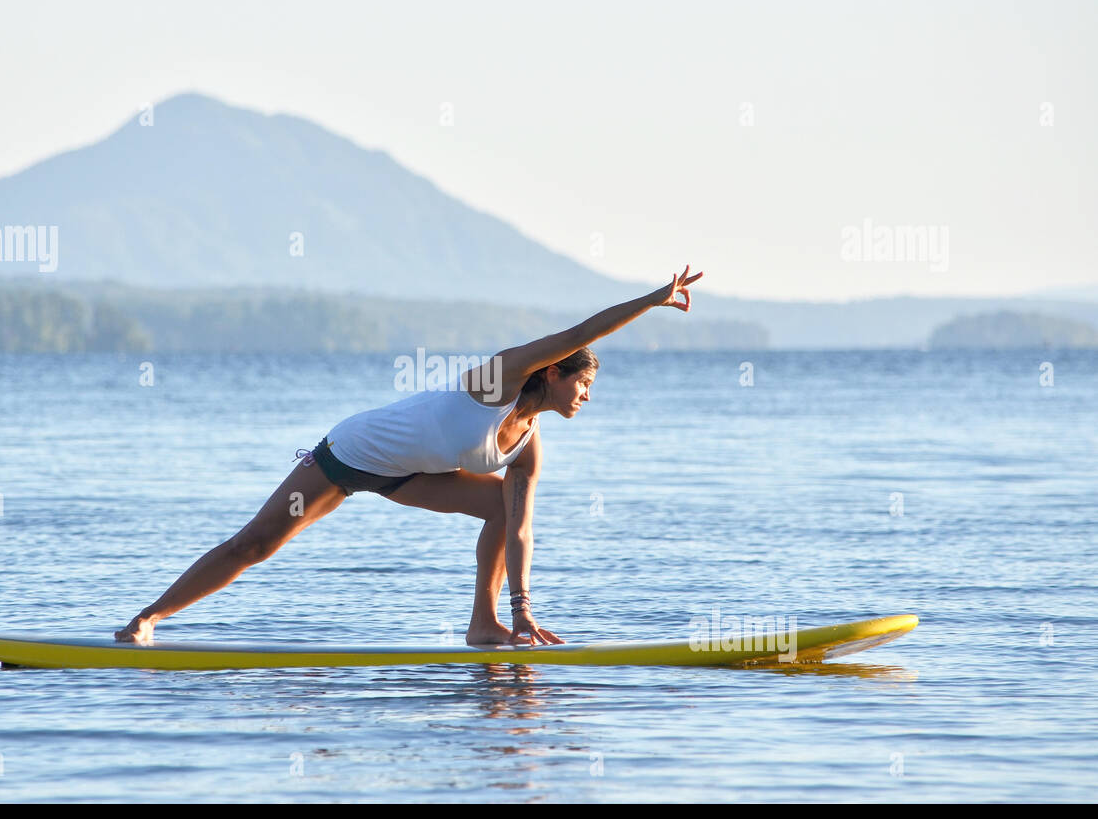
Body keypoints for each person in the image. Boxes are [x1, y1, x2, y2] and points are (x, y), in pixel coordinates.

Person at [115, 267, 704, 645]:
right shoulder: (497, 380)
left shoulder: (527, 449)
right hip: (352, 454)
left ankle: (485, 624)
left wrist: (525, 608)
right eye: (583, 383)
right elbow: (583, 329)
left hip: (409, 476)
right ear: (553, 373)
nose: (587, 395)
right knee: (256, 544)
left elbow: (521, 530)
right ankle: (147, 619)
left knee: (504, 507)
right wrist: (653, 300)